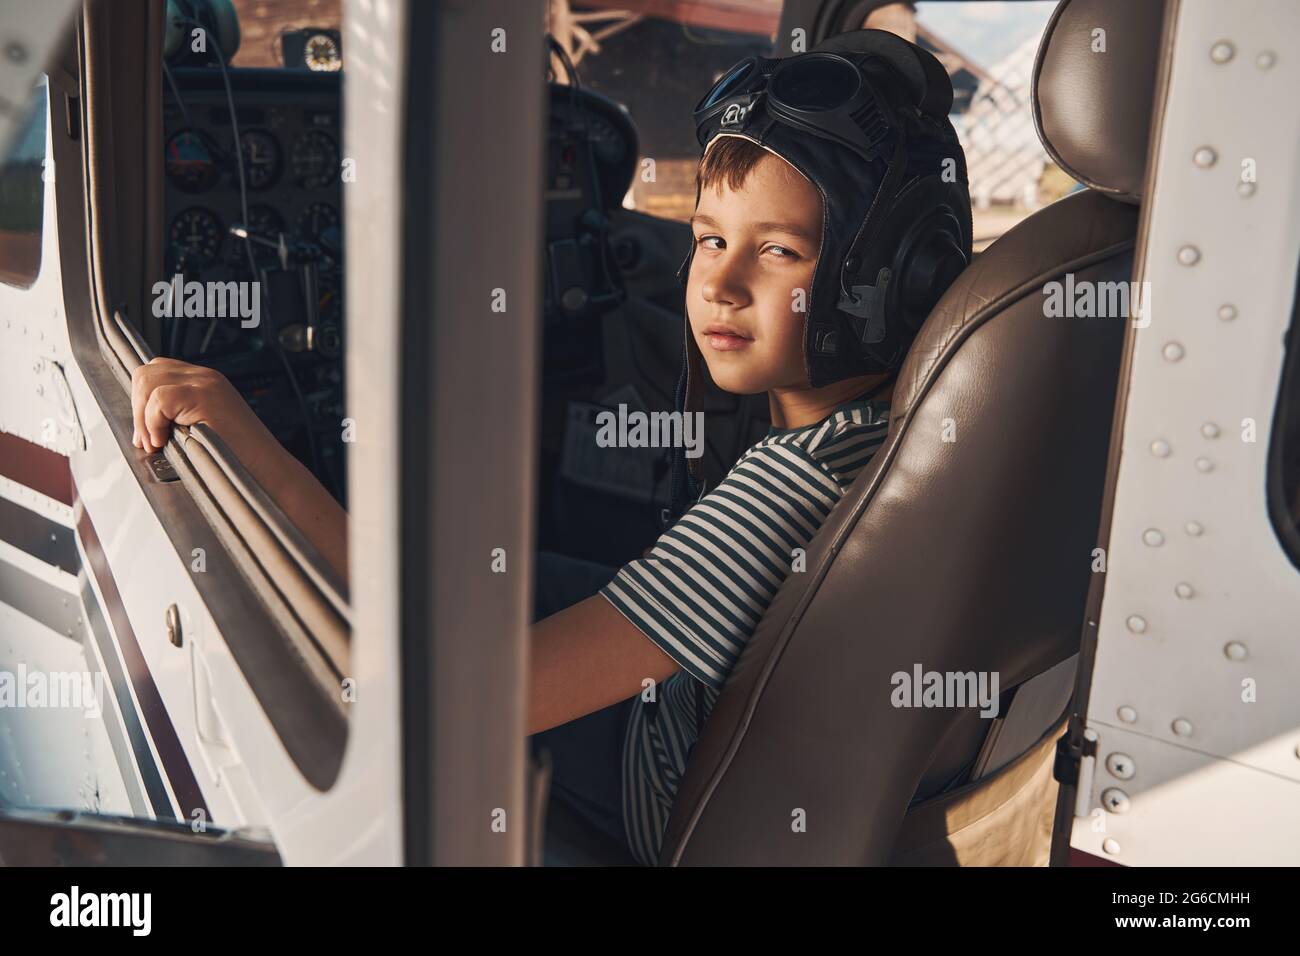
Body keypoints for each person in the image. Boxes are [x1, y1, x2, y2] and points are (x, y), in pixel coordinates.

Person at [131, 30, 971, 866]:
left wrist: (251, 445)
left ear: (893, 279)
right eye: (710, 238)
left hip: (656, 778)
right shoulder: (874, 439)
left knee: (413, 624)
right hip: (716, 715)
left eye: (779, 249)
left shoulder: (784, 491)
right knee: (470, 578)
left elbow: (467, 706)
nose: (718, 281)